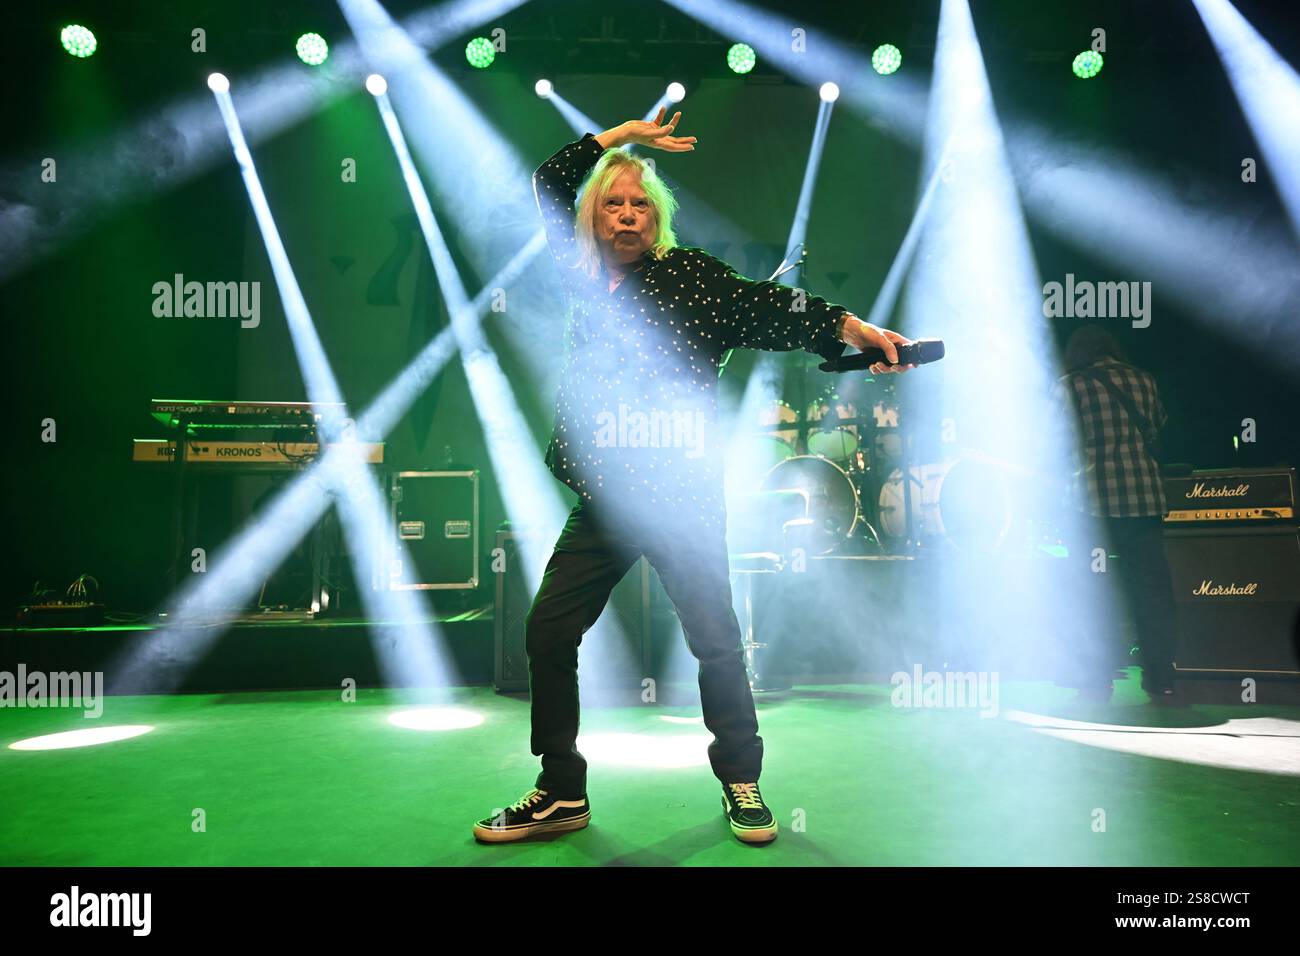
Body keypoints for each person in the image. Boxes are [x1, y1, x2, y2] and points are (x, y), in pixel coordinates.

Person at [473, 108, 913, 845]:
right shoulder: (580, 282)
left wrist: (851, 327)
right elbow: (547, 184)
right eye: (612, 203)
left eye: (640, 203)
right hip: (608, 500)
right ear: (592, 217)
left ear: (658, 218)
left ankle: (742, 781)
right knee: (548, 631)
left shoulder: (690, 278)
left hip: (681, 500)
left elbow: (772, 306)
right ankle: (561, 791)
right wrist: (615, 140)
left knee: (715, 641)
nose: (626, 215)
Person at [1054, 324, 1177, 699]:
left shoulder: (1069, 386)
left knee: (1094, 589)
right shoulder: (1144, 381)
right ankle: (1162, 679)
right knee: (1153, 591)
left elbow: (1055, 441)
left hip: (1095, 506)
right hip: (1144, 499)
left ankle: (1097, 677)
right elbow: (1156, 428)